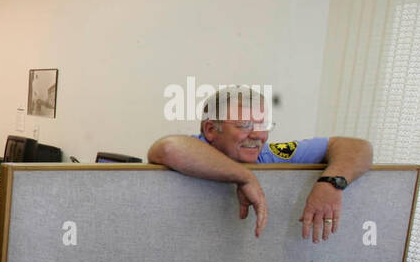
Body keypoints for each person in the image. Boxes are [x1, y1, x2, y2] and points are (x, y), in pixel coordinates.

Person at [147, 85, 372, 242]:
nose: (257, 135)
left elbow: (358, 147)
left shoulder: (266, 154)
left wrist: (331, 182)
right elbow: (167, 147)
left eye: (262, 124)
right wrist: (245, 177)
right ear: (210, 130)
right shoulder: (194, 148)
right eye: (244, 124)